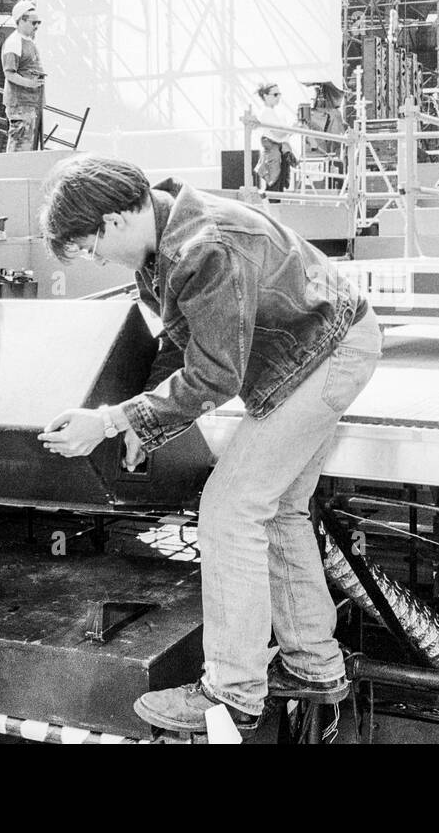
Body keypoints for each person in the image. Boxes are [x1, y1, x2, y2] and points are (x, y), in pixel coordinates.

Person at [37, 154, 382, 735]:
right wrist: (139, 427)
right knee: (277, 510)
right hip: (312, 350)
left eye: (94, 250)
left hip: (328, 353)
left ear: (116, 221)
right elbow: (182, 342)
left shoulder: (204, 247)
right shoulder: (161, 243)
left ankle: (231, 692)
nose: (98, 263)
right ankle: (315, 665)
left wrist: (112, 419)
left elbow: (215, 375)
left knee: (228, 508)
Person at [1, 0, 45, 152]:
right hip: (21, 104)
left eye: (38, 23)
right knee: (19, 147)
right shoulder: (14, 42)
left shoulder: (28, 42)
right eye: (34, 23)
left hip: (30, 103)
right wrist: (30, 83)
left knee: (26, 146)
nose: (37, 26)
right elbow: (9, 73)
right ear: (21, 21)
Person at [253, 81, 298, 192]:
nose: (278, 97)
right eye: (275, 94)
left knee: (277, 183)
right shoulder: (266, 112)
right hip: (273, 151)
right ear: (265, 96)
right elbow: (277, 134)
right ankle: (272, 206)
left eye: (279, 94)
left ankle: (273, 206)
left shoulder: (272, 113)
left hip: (276, 150)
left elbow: (280, 135)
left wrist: (291, 129)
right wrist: (292, 128)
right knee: (274, 182)